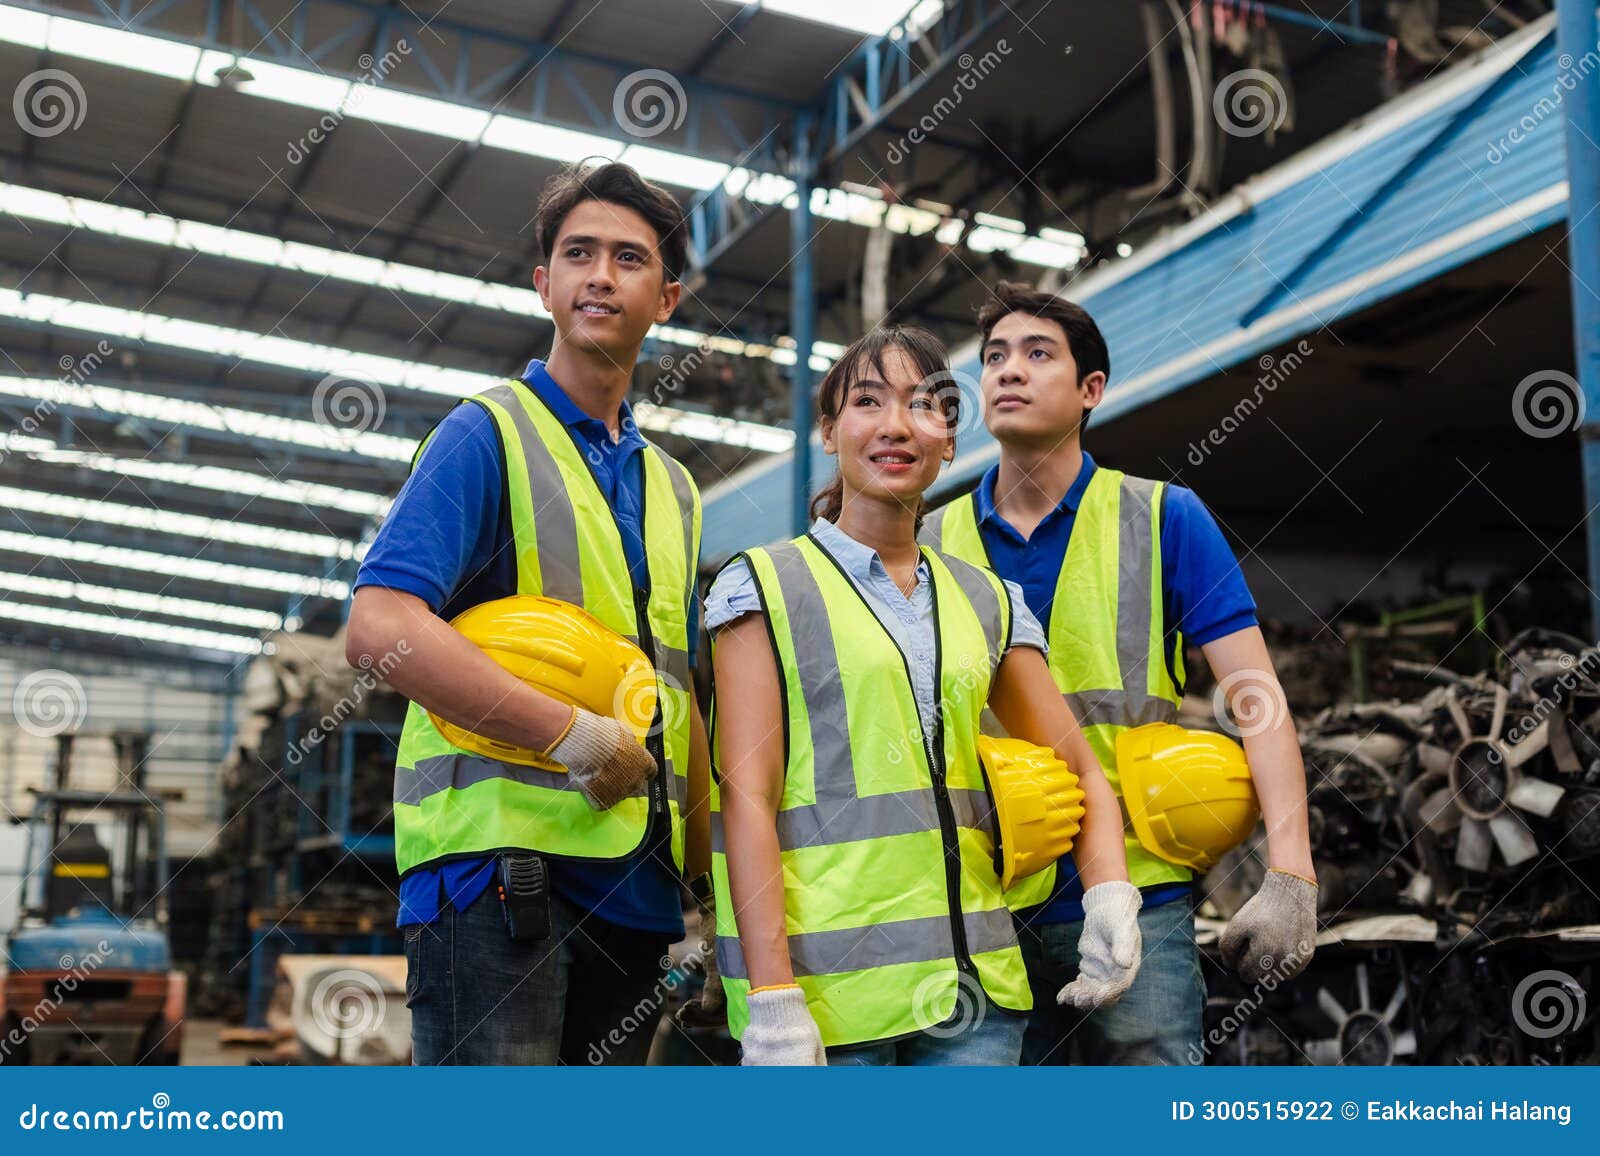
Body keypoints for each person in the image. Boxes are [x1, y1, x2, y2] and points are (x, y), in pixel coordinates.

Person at [345, 160, 712, 1065]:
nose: (599, 275)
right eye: (577, 253)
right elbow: (380, 629)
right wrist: (572, 737)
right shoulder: (486, 433)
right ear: (542, 283)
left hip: (635, 892)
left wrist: (713, 880)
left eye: (628, 259)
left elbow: (677, 692)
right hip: (497, 883)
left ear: (666, 298)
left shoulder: (676, 489)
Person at [706, 326, 1139, 1066]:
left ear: (948, 440)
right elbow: (746, 798)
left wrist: (1109, 894)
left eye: (923, 406)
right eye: (868, 402)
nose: (895, 426)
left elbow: (1082, 767)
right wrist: (774, 999)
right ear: (830, 431)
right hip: (830, 1003)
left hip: (976, 997)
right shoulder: (763, 585)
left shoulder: (992, 602)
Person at [920, 282, 1318, 1066]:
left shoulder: (1165, 517)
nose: (1008, 371)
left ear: (1091, 389)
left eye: (1038, 355)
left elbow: (1259, 703)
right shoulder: (926, 539)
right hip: (978, 903)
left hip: (1137, 895)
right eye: (995, 357)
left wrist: (1291, 871)